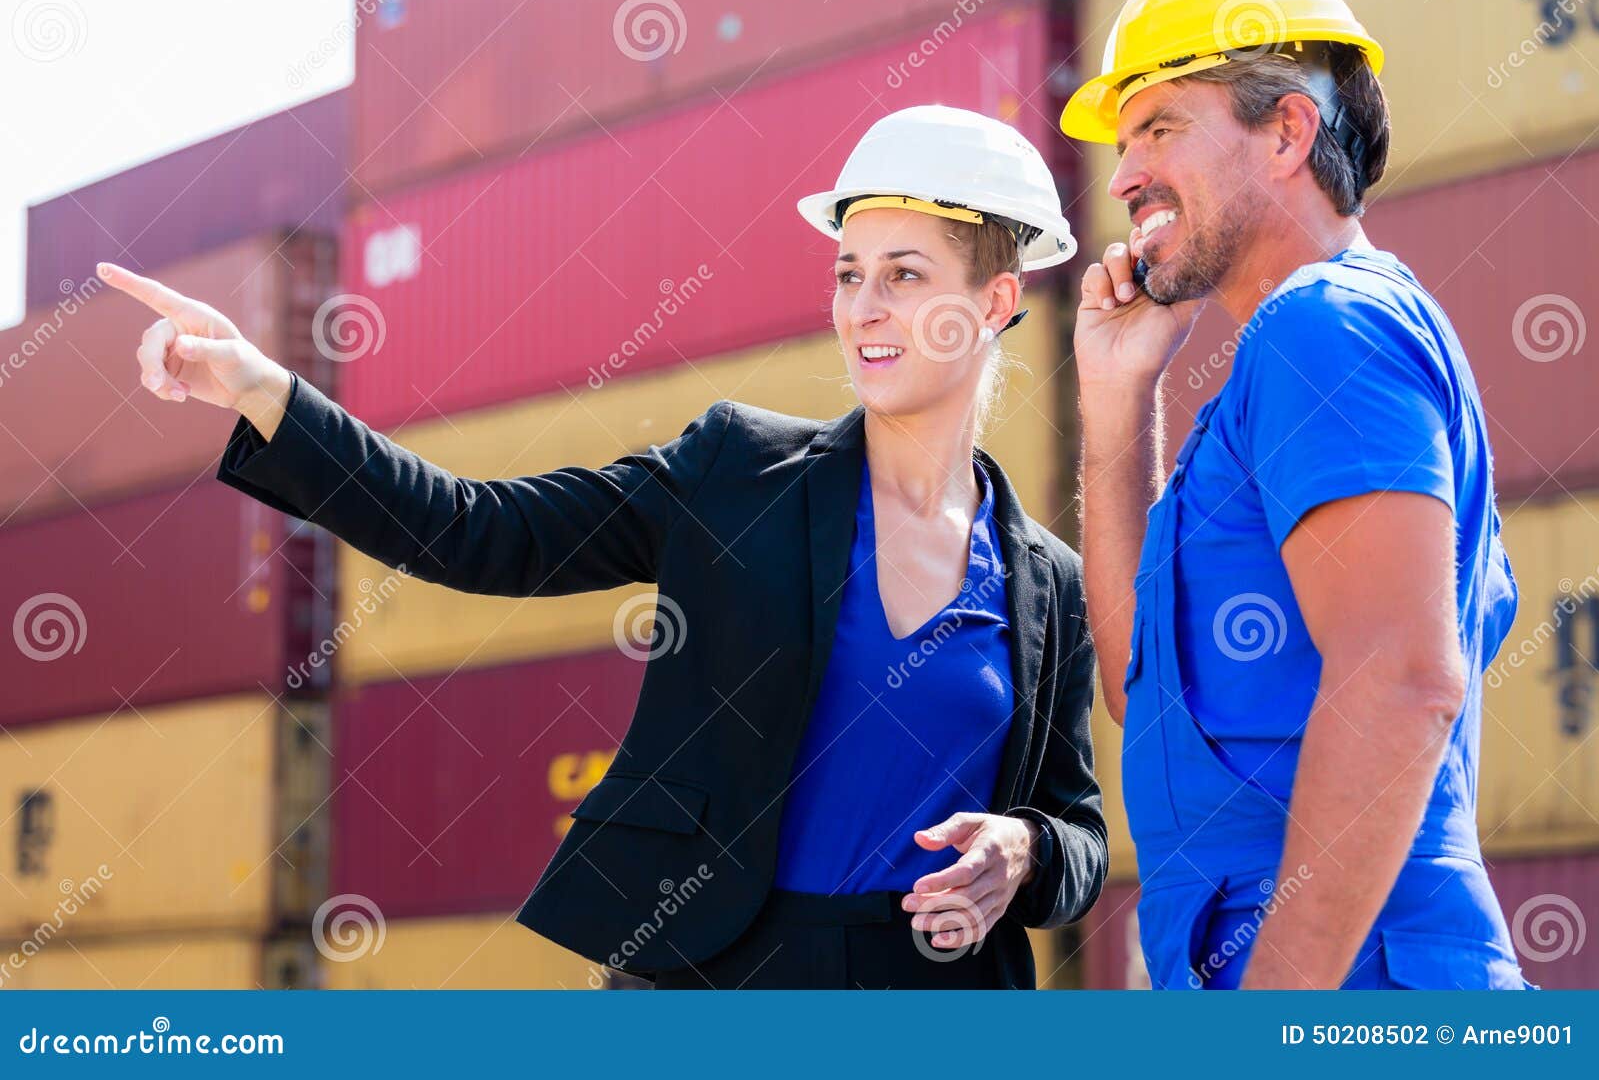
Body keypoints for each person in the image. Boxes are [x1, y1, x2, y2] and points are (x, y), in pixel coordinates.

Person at [104, 104, 1107, 990]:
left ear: (994, 303)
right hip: (720, 987)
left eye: (904, 275)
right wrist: (263, 390)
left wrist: (1024, 848)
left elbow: (1080, 832)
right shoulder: (738, 473)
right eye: (849, 274)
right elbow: (475, 531)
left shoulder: (1046, 582)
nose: (864, 307)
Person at [1061, 0, 1530, 989]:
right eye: (1123, 142)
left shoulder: (1325, 328)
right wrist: (1118, 398)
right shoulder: (1288, 355)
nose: (1125, 175)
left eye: (1159, 128)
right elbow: (1141, 689)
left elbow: (1401, 680)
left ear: (1287, 132)